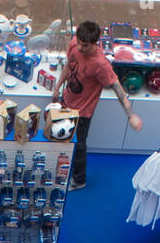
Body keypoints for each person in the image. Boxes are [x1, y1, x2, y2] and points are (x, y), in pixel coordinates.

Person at [53, 21, 144, 191]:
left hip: (83, 112)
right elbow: (68, 65)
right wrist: (57, 88)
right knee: (61, 137)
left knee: (79, 145)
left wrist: (130, 115)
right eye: (78, 42)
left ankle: (79, 180)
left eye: (85, 45)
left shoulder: (100, 64)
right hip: (66, 100)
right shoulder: (75, 44)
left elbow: (118, 89)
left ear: (95, 43)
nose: (80, 47)